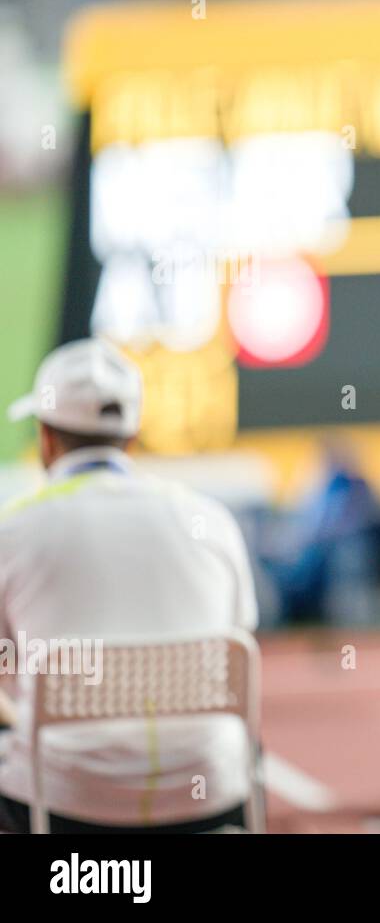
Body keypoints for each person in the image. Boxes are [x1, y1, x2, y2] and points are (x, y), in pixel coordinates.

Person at [0, 338, 259, 832]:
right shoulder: (210, 519)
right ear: (133, 438)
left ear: (46, 438)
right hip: (207, 795)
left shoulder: (11, 530)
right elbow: (236, 644)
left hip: (66, 806)